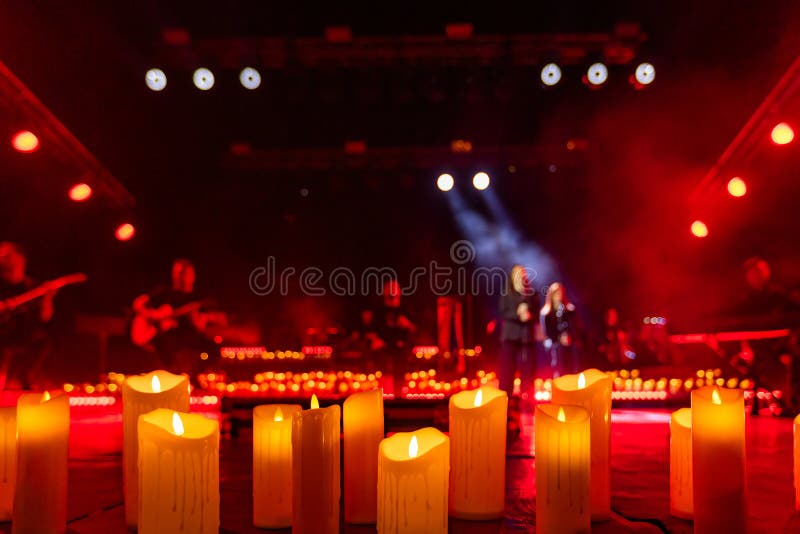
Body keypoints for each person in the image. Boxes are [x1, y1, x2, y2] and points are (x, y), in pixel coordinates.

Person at [131, 259, 225, 377]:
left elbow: (208, 323)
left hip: (187, 337)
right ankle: (171, 375)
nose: (180, 277)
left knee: (213, 348)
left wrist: (201, 320)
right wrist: (155, 316)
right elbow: (138, 304)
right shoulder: (163, 292)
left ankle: (197, 376)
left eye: (184, 273)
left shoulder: (199, 299)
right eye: (177, 273)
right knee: (164, 341)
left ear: (192, 275)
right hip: (166, 338)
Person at [0, 242, 55, 389]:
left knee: (42, 341)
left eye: (7, 255)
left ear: (21, 258)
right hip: (2, 334)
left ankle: (23, 379)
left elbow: (44, 318)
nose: (2, 258)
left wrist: (48, 298)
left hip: (22, 334)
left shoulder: (33, 286)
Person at [540, 282, 578, 376]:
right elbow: (547, 332)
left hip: (569, 343)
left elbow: (574, 327)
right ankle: (559, 377)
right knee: (558, 351)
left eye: (561, 293)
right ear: (551, 296)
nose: (559, 296)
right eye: (556, 294)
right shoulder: (546, 313)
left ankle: (573, 376)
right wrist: (559, 338)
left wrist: (569, 336)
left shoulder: (569, 310)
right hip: (555, 343)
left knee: (575, 348)